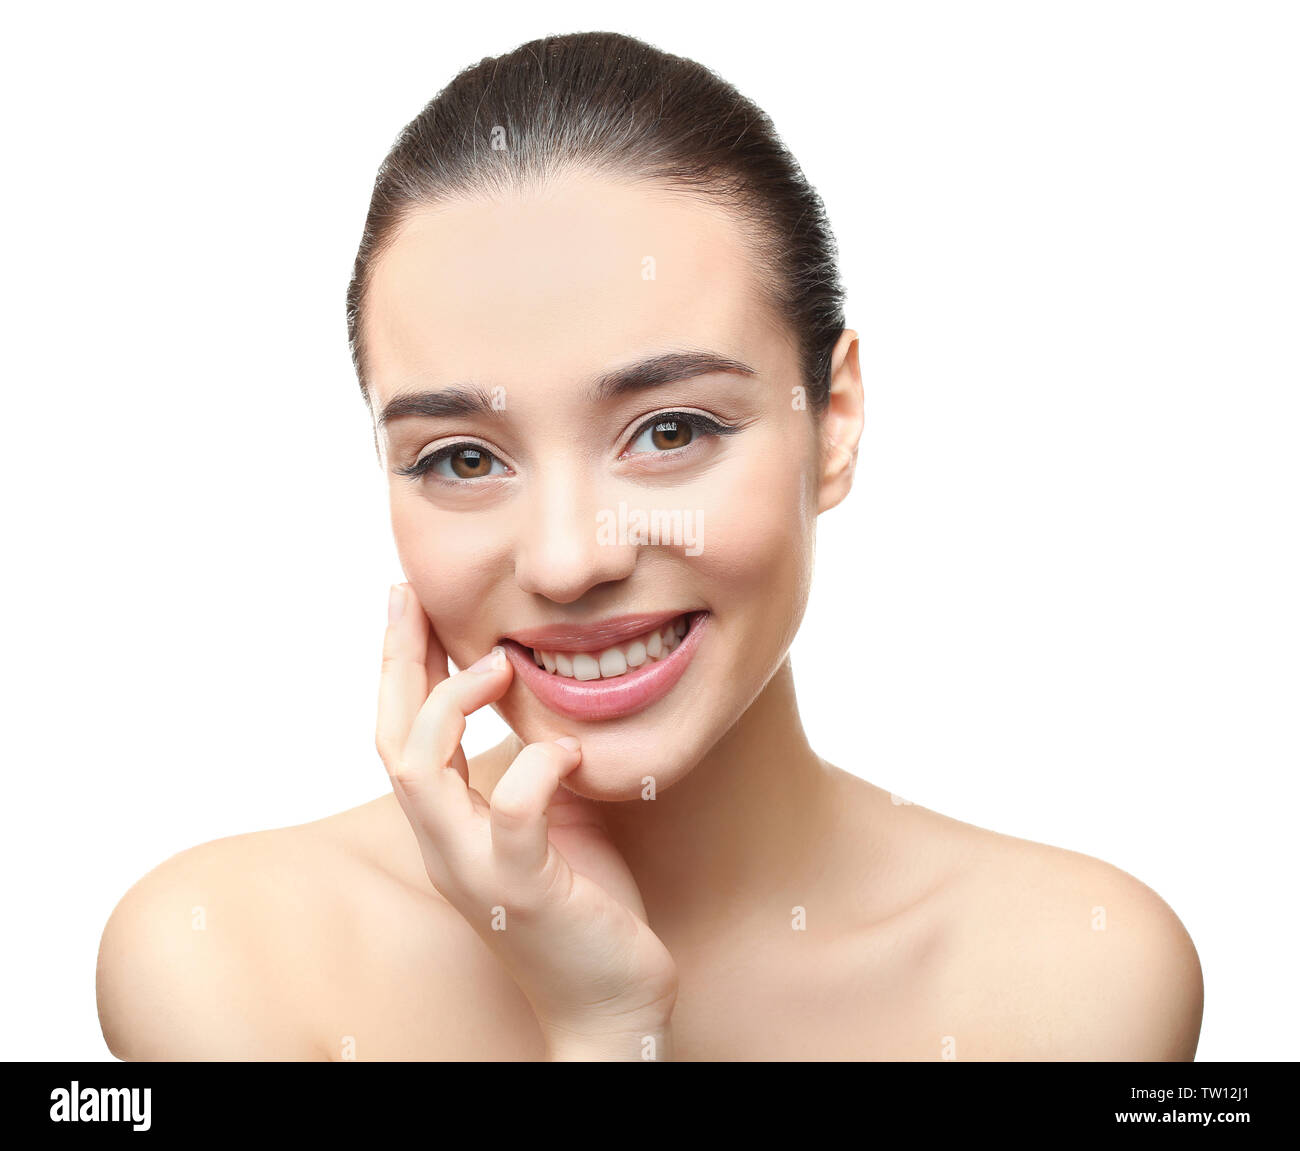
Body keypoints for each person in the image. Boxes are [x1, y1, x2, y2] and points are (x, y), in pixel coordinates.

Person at [96, 30, 1203, 1061]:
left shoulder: (1078, 981)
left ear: (835, 422)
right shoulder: (227, 961)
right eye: (462, 458)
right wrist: (600, 1024)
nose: (570, 561)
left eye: (671, 430)